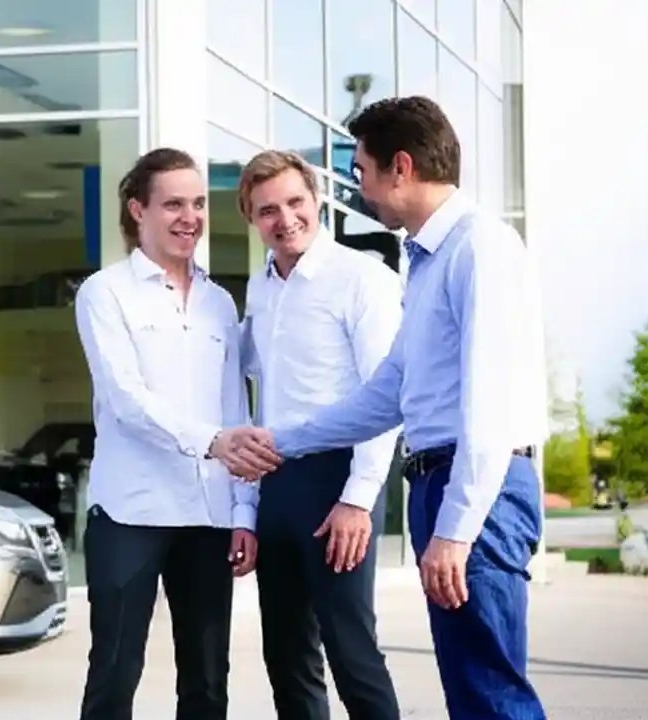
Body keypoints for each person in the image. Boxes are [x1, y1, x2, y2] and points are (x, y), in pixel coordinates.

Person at [219, 96, 549, 719]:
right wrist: (279, 444)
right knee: (470, 685)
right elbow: (389, 392)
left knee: (490, 690)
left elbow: (492, 404)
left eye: (363, 171)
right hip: (436, 479)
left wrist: (453, 531)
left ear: (400, 167)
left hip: (475, 486)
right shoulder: (426, 262)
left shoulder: (479, 249)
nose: (360, 187)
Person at [72, 147, 262, 720]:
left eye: (199, 203)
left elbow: (237, 408)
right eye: (174, 203)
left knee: (207, 681)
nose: (190, 216)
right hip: (130, 513)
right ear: (138, 210)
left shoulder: (220, 302)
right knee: (114, 673)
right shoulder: (104, 293)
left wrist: (244, 512)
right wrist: (211, 441)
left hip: (207, 519)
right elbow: (126, 399)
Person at [235, 149, 404, 719]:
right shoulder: (260, 290)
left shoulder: (362, 279)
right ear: (251, 219)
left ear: (316, 200)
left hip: (338, 480)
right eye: (267, 211)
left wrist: (359, 498)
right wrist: (248, 504)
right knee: (286, 656)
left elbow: (386, 396)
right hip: (276, 481)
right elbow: (253, 392)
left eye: (294, 202)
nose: (284, 220)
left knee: (352, 652)